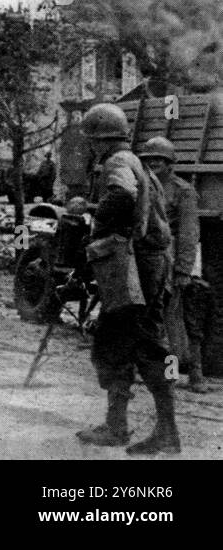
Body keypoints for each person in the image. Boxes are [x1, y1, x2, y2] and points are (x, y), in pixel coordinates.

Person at [77, 104, 178, 454]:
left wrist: (95, 220)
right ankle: (135, 426)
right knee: (126, 343)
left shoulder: (117, 163)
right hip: (147, 265)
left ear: (98, 139)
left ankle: (139, 429)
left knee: (132, 346)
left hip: (134, 269)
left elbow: (122, 195)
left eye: (91, 141)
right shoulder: (135, 160)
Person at [137, 136, 208, 393]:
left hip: (177, 257)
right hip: (151, 258)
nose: (154, 163)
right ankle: (163, 371)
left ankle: (196, 374)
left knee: (187, 317)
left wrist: (183, 270)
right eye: (149, 159)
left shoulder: (183, 190)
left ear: (171, 164)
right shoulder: (142, 187)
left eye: (160, 160)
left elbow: (190, 232)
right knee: (153, 316)